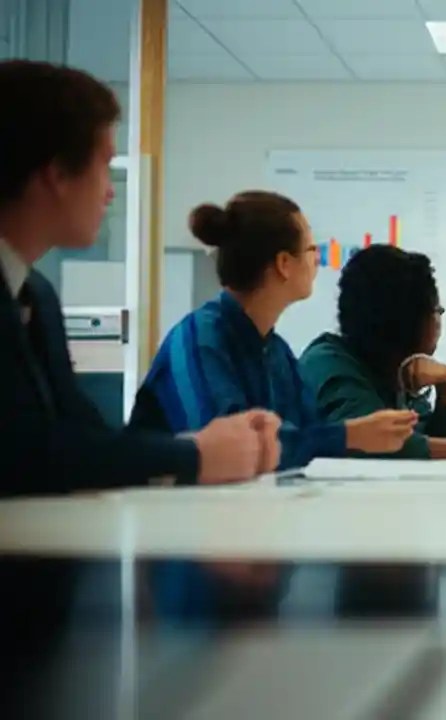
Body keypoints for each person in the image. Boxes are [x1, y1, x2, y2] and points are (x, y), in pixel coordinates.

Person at [0, 59, 276, 494]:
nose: (111, 191)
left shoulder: (37, 295)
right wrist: (195, 454)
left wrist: (202, 449)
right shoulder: (205, 334)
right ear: (56, 175)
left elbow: (84, 440)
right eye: (105, 165)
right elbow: (27, 454)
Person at [129, 191, 415, 469]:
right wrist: (348, 435)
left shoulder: (276, 350)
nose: (317, 259)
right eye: (310, 249)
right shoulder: (199, 341)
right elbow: (233, 449)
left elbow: (307, 433)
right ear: (284, 264)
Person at [298, 245, 446, 460]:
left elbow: (434, 435)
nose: (439, 320)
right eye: (437, 310)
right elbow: (387, 446)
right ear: (408, 319)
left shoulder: (389, 368)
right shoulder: (330, 365)